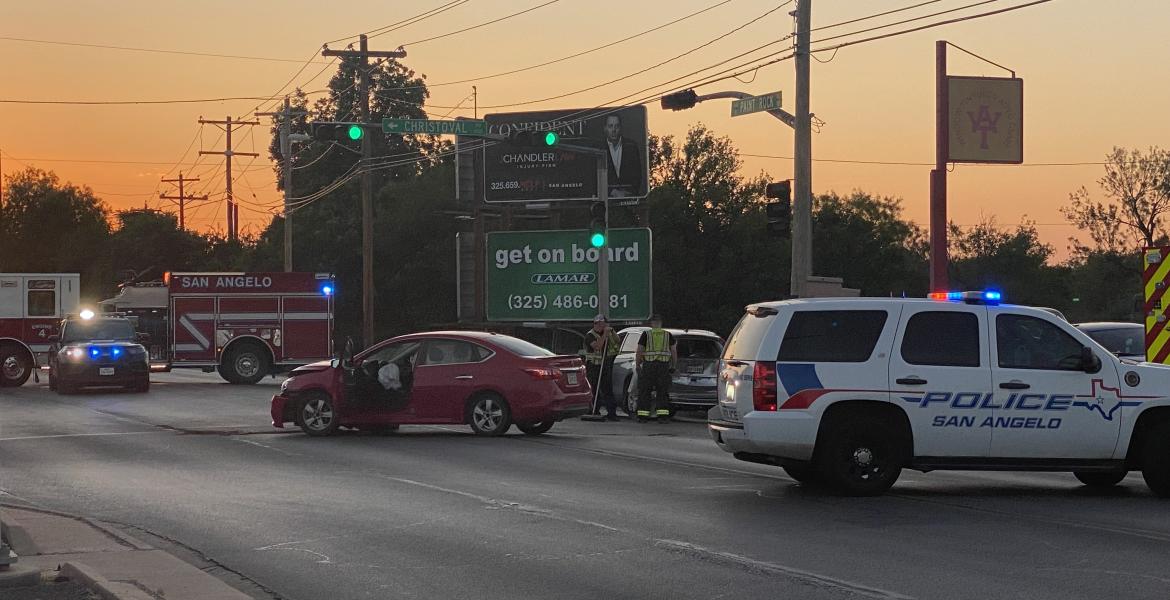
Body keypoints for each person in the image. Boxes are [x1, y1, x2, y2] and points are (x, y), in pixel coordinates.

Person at [636, 314, 677, 423]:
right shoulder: (668, 335)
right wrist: (673, 365)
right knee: (662, 391)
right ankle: (662, 417)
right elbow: (673, 351)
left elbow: (639, 350)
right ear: (661, 323)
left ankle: (643, 416)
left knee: (645, 390)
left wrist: (637, 365)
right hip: (663, 366)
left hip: (649, 365)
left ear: (652, 324)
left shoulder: (646, 335)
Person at [585, 314, 621, 421]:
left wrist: (611, 331)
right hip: (593, 366)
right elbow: (597, 347)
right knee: (593, 388)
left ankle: (612, 413)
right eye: (601, 324)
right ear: (596, 324)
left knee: (607, 388)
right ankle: (593, 410)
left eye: (604, 324)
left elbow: (617, 340)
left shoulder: (608, 333)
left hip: (605, 365)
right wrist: (604, 335)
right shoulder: (590, 335)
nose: (602, 326)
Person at [602, 113, 642, 198]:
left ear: (621, 128)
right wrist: (612, 192)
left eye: (616, 126)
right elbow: (593, 178)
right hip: (605, 201)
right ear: (605, 128)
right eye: (610, 126)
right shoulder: (599, 148)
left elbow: (637, 175)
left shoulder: (631, 146)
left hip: (629, 200)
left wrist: (628, 193)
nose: (613, 130)